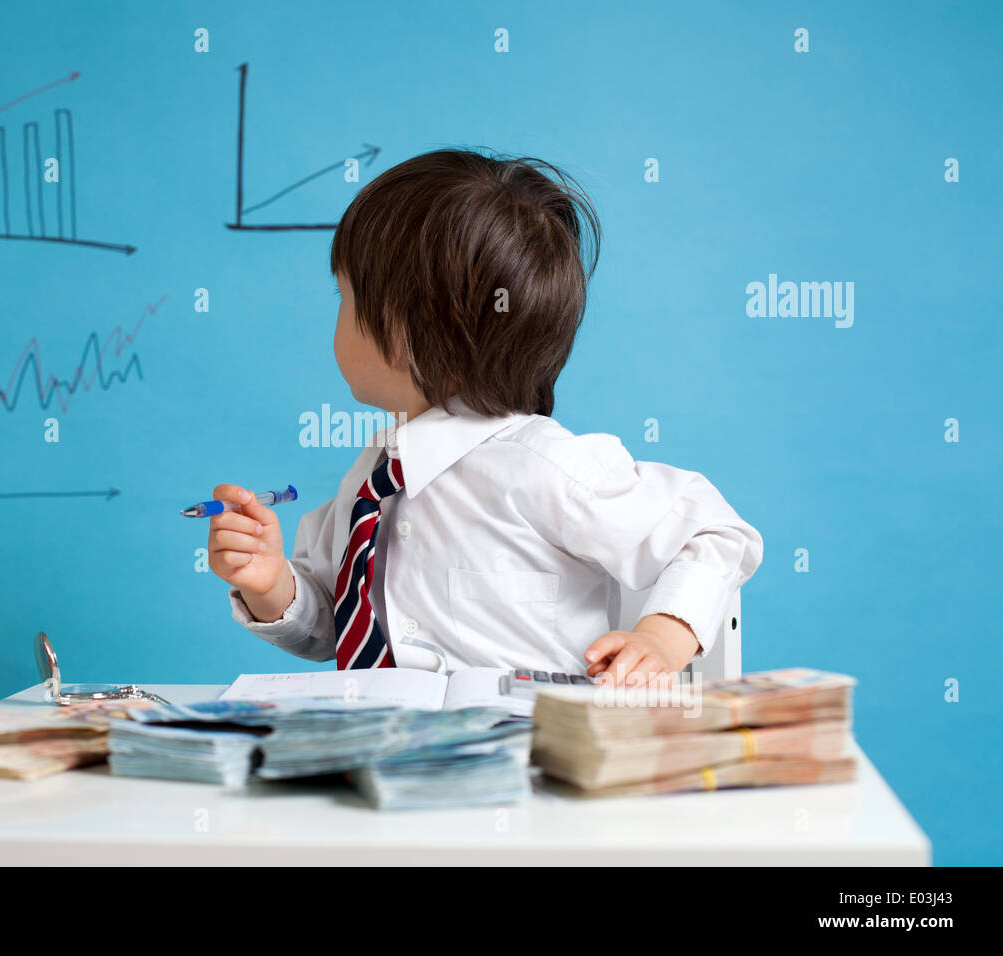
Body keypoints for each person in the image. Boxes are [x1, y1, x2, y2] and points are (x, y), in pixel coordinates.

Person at [206, 148, 763, 687]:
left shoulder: (545, 468)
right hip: (394, 758)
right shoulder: (373, 481)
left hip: (527, 761)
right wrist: (272, 582)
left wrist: (662, 639)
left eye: (344, 296)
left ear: (401, 334)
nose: (337, 316)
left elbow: (714, 531)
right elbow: (335, 626)